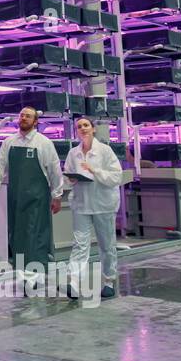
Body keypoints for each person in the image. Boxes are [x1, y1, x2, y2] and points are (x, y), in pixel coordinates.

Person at [0, 106, 65, 293]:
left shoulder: (43, 143)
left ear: (35, 121)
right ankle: (23, 275)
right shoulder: (9, 142)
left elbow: (55, 170)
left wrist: (57, 195)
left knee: (35, 236)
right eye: (21, 115)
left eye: (28, 116)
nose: (23, 118)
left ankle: (35, 276)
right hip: (15, 197)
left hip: (37, 198)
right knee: (17, 236)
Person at [63, 117, 124, 300]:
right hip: (81, 204)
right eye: (79, 126)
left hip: (103, 204)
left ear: (93, 129)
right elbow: (66, 174)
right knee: (80, 245)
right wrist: (70, 179)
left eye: (85, 125)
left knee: (107, 245)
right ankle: (74, 282)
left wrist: (95, 171)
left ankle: (109, 280)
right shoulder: (73, 153)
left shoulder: (105, 151)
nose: (82, 128)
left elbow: (116, 177)